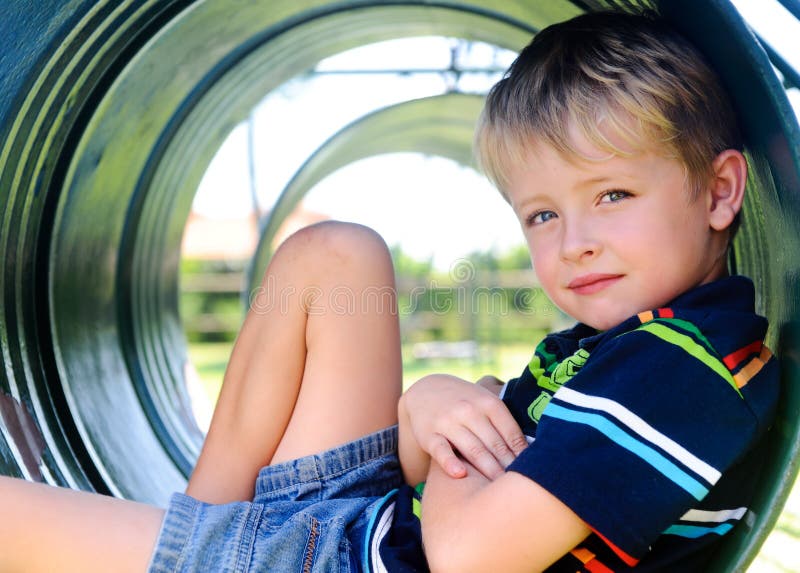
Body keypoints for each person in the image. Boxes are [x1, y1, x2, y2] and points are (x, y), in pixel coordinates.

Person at [0, 9, 780, 573]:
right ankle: (202, 538)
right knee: (335, 253)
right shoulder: (630, 344)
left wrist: (452, 451)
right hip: (358, 526)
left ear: (720, 192)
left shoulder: (676, 372)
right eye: (542, 212)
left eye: (612, 195)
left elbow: (470, 557)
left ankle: (199, 553)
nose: (574, 239)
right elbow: (430, 458)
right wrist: (428, 401)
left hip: (345, 560)